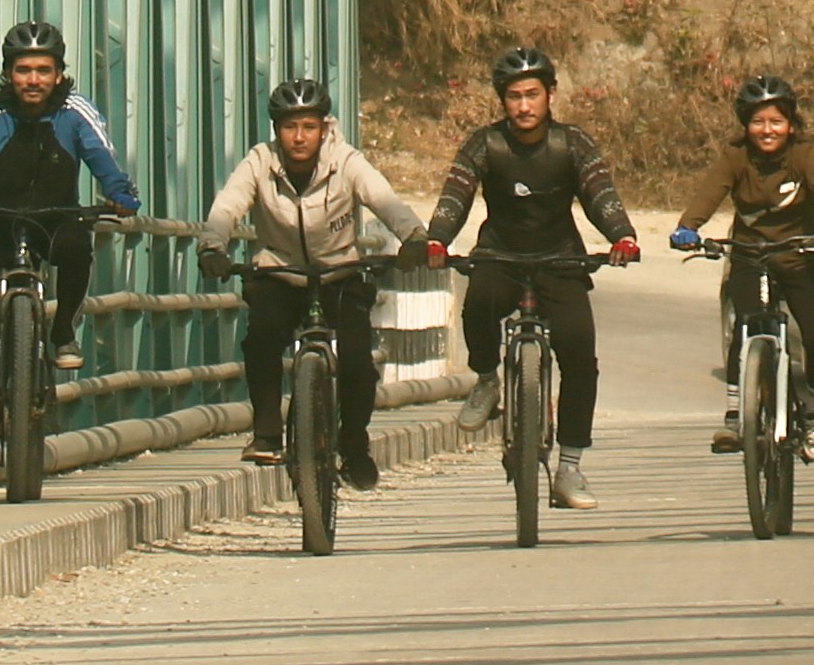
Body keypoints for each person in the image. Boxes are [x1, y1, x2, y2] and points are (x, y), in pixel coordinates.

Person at [429, 45, 639, 507]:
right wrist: (438, 239)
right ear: (502, 100)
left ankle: (570, 468)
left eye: (532, 95)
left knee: (580, 351)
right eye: (514, 96)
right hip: (500, 254)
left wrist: (622, 235)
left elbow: (600, 191)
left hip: (560, 259)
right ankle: (487, 379)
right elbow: (456, 194)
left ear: (550, 95)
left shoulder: (573, 143)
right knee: (478, 303)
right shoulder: (484, 144)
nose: (524, 106)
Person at [199, 73, 417, 486]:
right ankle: (266, 432)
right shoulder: (260, 162)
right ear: (276, 130)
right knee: (261, 338)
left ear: (325, 127)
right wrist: (213, 246)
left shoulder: (346, 161)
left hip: (339, 272)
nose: (299, 137)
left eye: (309, 126)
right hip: (280, 272)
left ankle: (353, 445)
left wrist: (414, 237)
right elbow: (227, 206)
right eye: (289, 126)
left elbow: (385, 199)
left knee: (357, 363)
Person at [0, 19, 144, 383]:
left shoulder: (76, 112)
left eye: (44, 71)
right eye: (24, 70)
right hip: (1, 226)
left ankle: (63, 332)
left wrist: (120, 193)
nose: (33, 80)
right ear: (7, 73)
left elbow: (101, 154)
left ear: (60, 75)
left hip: (57, 221)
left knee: (77, 249)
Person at [669, 75, 814, 463]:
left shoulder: (804, 154)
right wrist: (688, 227)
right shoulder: (735, 156)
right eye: (758, 122)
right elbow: (710, 193)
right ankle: (737, 413)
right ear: (745, 124)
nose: (767, 130)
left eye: (776, 121)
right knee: (747, 323)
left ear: (791, 124)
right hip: (750, 255)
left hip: (799, 256)